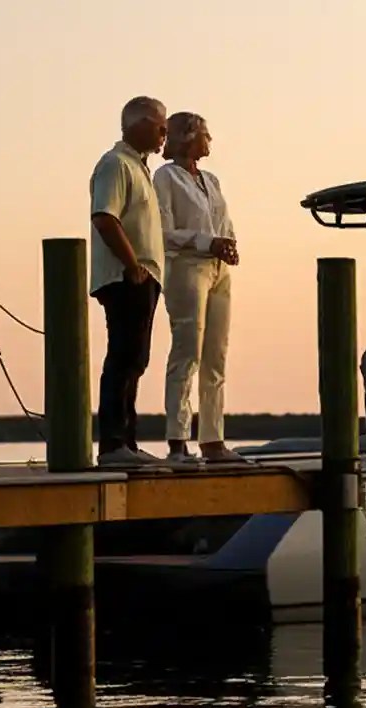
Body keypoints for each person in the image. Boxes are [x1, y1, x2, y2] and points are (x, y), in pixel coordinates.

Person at [152, 111, 244, 463]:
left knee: (216, 355)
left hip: (219, 270)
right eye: (205, 135)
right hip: (187, 267)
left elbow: (225, 221)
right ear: (189, 137)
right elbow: (162, 233)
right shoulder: (166, 178)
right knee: (187, 351)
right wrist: (207, 242)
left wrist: (229, 243)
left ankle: (213, 439)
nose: (209, 141)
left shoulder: (211, 180)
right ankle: (177, 440)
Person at [90, 96, 169, 467]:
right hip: (126, 276)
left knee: (136, 358)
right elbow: (105, 217)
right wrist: (132, 264)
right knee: (124, 356)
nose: (164, 133)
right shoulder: (116, 164)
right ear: (136, 124)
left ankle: (128, 442)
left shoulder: (141, 169)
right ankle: (112, 443)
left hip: (144, 275)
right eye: (159, 125)